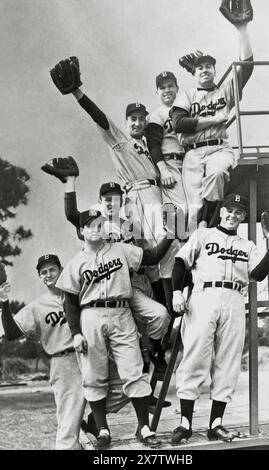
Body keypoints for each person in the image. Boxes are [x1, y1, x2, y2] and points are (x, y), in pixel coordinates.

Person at [49, 58, 181, 310]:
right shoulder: (120, 140)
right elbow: (99, 117)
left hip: (156, 192)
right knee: (149, 251)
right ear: (126, 121)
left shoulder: (151, 144)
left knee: (165, 246)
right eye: (132, 118)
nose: (137, 122)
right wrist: (78, 92)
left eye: (141, 118)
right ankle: (161, 310)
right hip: (136, 196)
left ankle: (167, 308)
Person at [41, 158, 171, 381]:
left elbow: (148, 259)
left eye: (115, 199)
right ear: (100, 201)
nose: (111, 203)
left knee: (153, 329)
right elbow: (73, 215)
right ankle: (124, 387)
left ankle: (156, 354)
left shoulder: (132, 226)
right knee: (128, 346)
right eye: (106, 200)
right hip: (105, 286)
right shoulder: (95, 225)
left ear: (122, 201)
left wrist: (161, 296)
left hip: (134, 283)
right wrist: (69, 183)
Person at [55, 208, 175, 447]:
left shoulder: (120, 249)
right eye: (92, 225)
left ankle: (144, 428)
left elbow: (151, 256)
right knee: (93, 375)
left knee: (134, 370)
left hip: (121, 311)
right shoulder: (76, 262)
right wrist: (76, 333)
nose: (97, 229)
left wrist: (170, 235)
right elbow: (69, 302)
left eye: (100, 224)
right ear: (82, 231)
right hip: (90, 315)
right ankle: (102, 431)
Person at [170, 193, 269, 444]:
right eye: (229, 210)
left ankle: (216, 424)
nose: (233, 215)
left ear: (243, 217)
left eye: (239, 212)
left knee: (228, 360)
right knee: (194, 357)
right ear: (221, 212)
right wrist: (177, 292)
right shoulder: (203, 235)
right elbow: (179, 262)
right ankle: (185, 423)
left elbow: (258, 274)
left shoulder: (248, 245)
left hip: (233, 297)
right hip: (204, 295)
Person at [0, 254, 129, 450]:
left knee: (129, 383)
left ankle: (94, 418)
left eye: (52, 269)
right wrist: (4, 301)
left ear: (61, 270)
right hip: (64, 363)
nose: (48, 274)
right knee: (68, 428)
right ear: (40, 277)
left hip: (92, 354)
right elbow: (10, 333)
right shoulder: (37, 307)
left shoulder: (80, 294)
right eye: (43, 272)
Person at [170, 22, 254, 231]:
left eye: (208, 66)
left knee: (216, 175)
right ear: (194, 73)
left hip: (219, 148)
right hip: (194, 153)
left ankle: (207, 227)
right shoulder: (187, 96)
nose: (204, 69)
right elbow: (179, 124)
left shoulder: (225, 91)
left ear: (215, 70)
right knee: (194, 207)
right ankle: (199, 236)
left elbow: (248, 66)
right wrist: (213, 119)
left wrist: (242, 29)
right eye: (200, 67)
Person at [146, 71, 188, 234]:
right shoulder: (157, 114)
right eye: (162, 87)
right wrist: (163, 170)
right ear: (157, 91)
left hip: (189, 162)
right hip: (170, 164)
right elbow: (153, 144)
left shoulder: (186, 108)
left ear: (177, 88)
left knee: (196, 208)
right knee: (181, 210)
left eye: (170, 85)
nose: (167, 90)